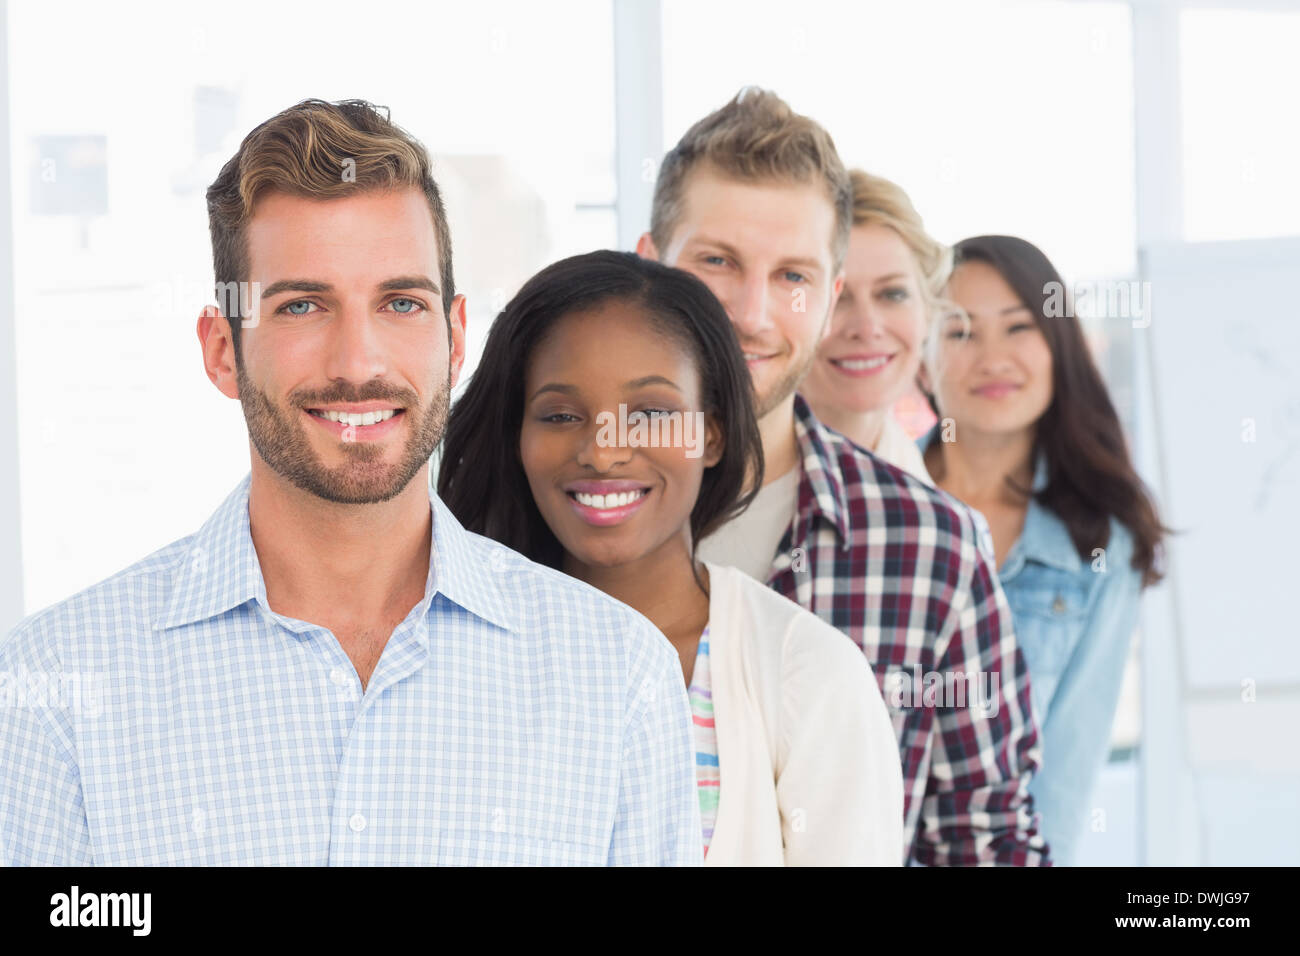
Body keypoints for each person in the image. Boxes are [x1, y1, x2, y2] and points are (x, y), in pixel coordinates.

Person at [0, 99, 700, 866]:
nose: (360, 362)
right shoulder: (59, 683)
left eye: (402, 303)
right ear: (223, 351)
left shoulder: (618, 675)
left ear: (455, 336)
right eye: (303, 305)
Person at [637, 87, 1049, 865]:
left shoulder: (934, 548)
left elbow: (986, 842)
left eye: (792, 276)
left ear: (827, 302)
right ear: (648, 267)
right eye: (717, 261)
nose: (751, 312)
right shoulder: (542, 517)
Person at [438, 250, 904, 866]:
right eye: (559, 415)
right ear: (518, 438)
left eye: (651, 414)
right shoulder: (446, 654)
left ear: (710, 433)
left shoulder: (807, 674)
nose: (604, 454)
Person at [919, 235, 1167, 865]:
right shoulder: (870, 512)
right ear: (921, 360)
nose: (992, 358)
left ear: (1058, 347)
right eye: (960, 332)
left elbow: (1064, 775)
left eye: (1019, 327)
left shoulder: (1101, 544)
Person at [798, 169, 947, 483]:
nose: (866, 328)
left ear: (927, 311)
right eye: (836, 298)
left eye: (892, 294)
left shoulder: (924, 491)